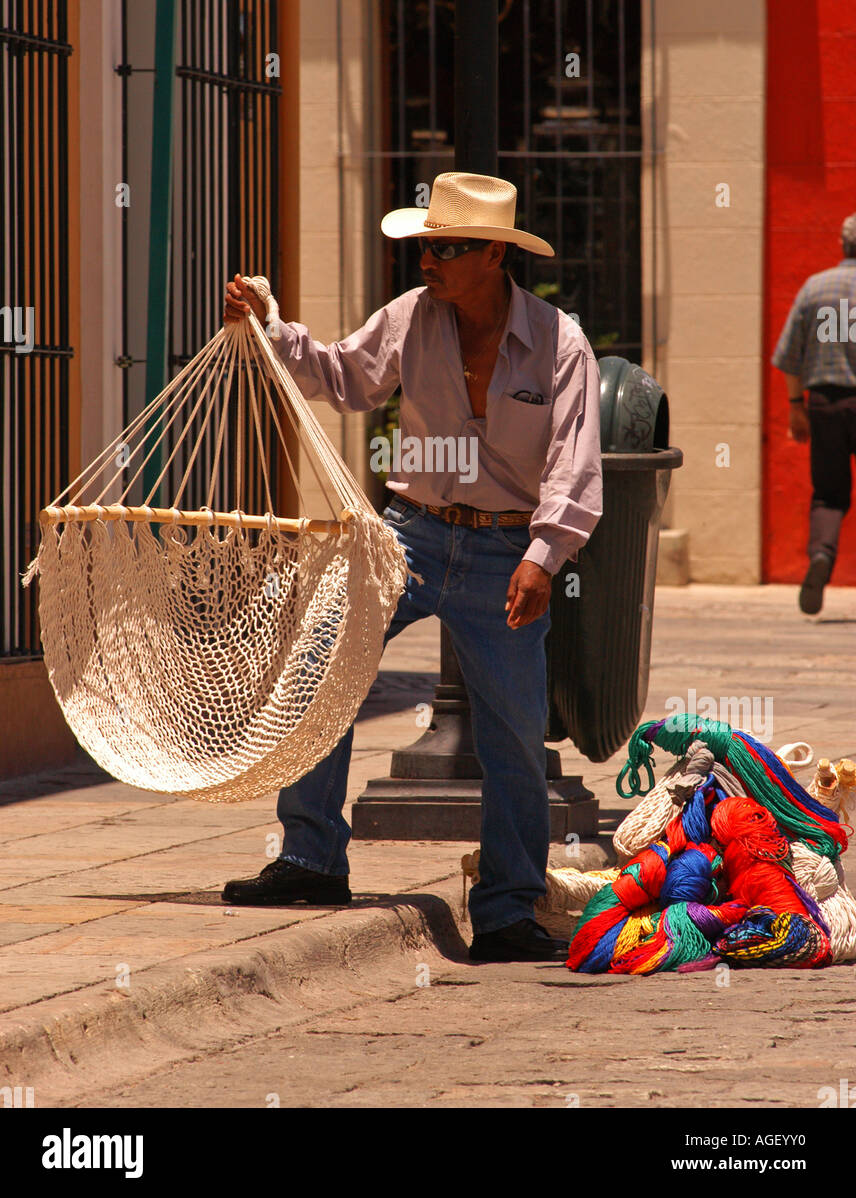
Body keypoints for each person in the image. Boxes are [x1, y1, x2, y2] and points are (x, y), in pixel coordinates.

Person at [221, 172, 603, 962]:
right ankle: (310, 856)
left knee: (513, 731)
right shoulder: (411, 318)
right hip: (411, 536)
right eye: (423, 245)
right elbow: (342, 378)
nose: (426, 259)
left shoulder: (562, 344)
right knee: (321, 669)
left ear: (493, 255)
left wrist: (542, 557)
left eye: (444, 247)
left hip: (507, 552)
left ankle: (505, 910)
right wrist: (271, 327)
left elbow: (575, 468)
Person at [772, 213, 856, 614]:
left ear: (843, 245)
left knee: (829, 494)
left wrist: (795, 408)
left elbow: (789, 358)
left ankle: (822, 555)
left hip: (825, 404)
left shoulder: (815, 288)